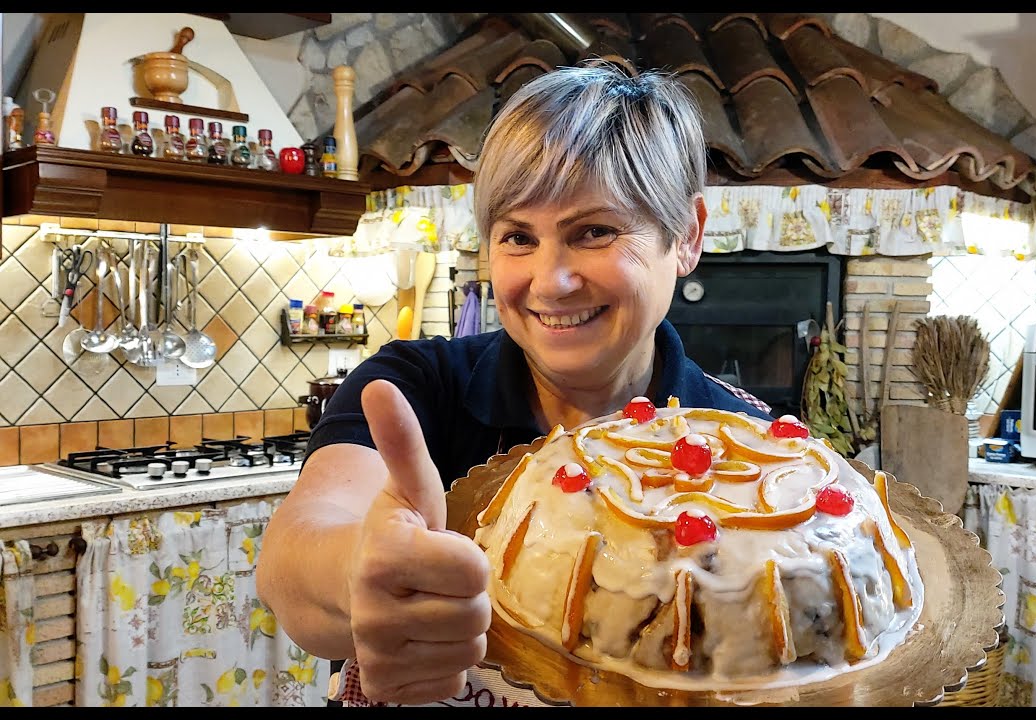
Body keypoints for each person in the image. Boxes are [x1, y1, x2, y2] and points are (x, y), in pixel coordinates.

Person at [256, 60, 773, 707]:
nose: (550, 281)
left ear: (687, 235)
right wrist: (359, 572)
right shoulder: (418, 386)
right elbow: (293, 558)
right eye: (518, 237)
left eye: (594, 231)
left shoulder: (756, 448)